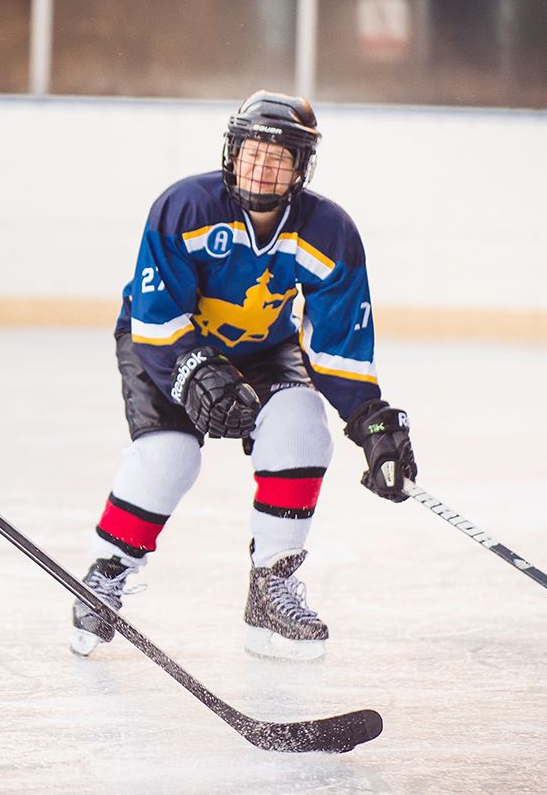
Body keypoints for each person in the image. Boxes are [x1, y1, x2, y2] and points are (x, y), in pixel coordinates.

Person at [69, 91, 418, 661]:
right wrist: (192, 369)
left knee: (303, 428)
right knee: (170, 458)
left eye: (279, 159)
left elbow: (335, 344)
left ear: (300, 169)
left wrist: (369, 417)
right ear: (232, 153)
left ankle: (270, 588)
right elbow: (155, 317)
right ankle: (107, 571)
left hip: (265, 346)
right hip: (166, 340)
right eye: (253, 152)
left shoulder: (330, 233)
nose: (262, 167)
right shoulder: (184, 206)